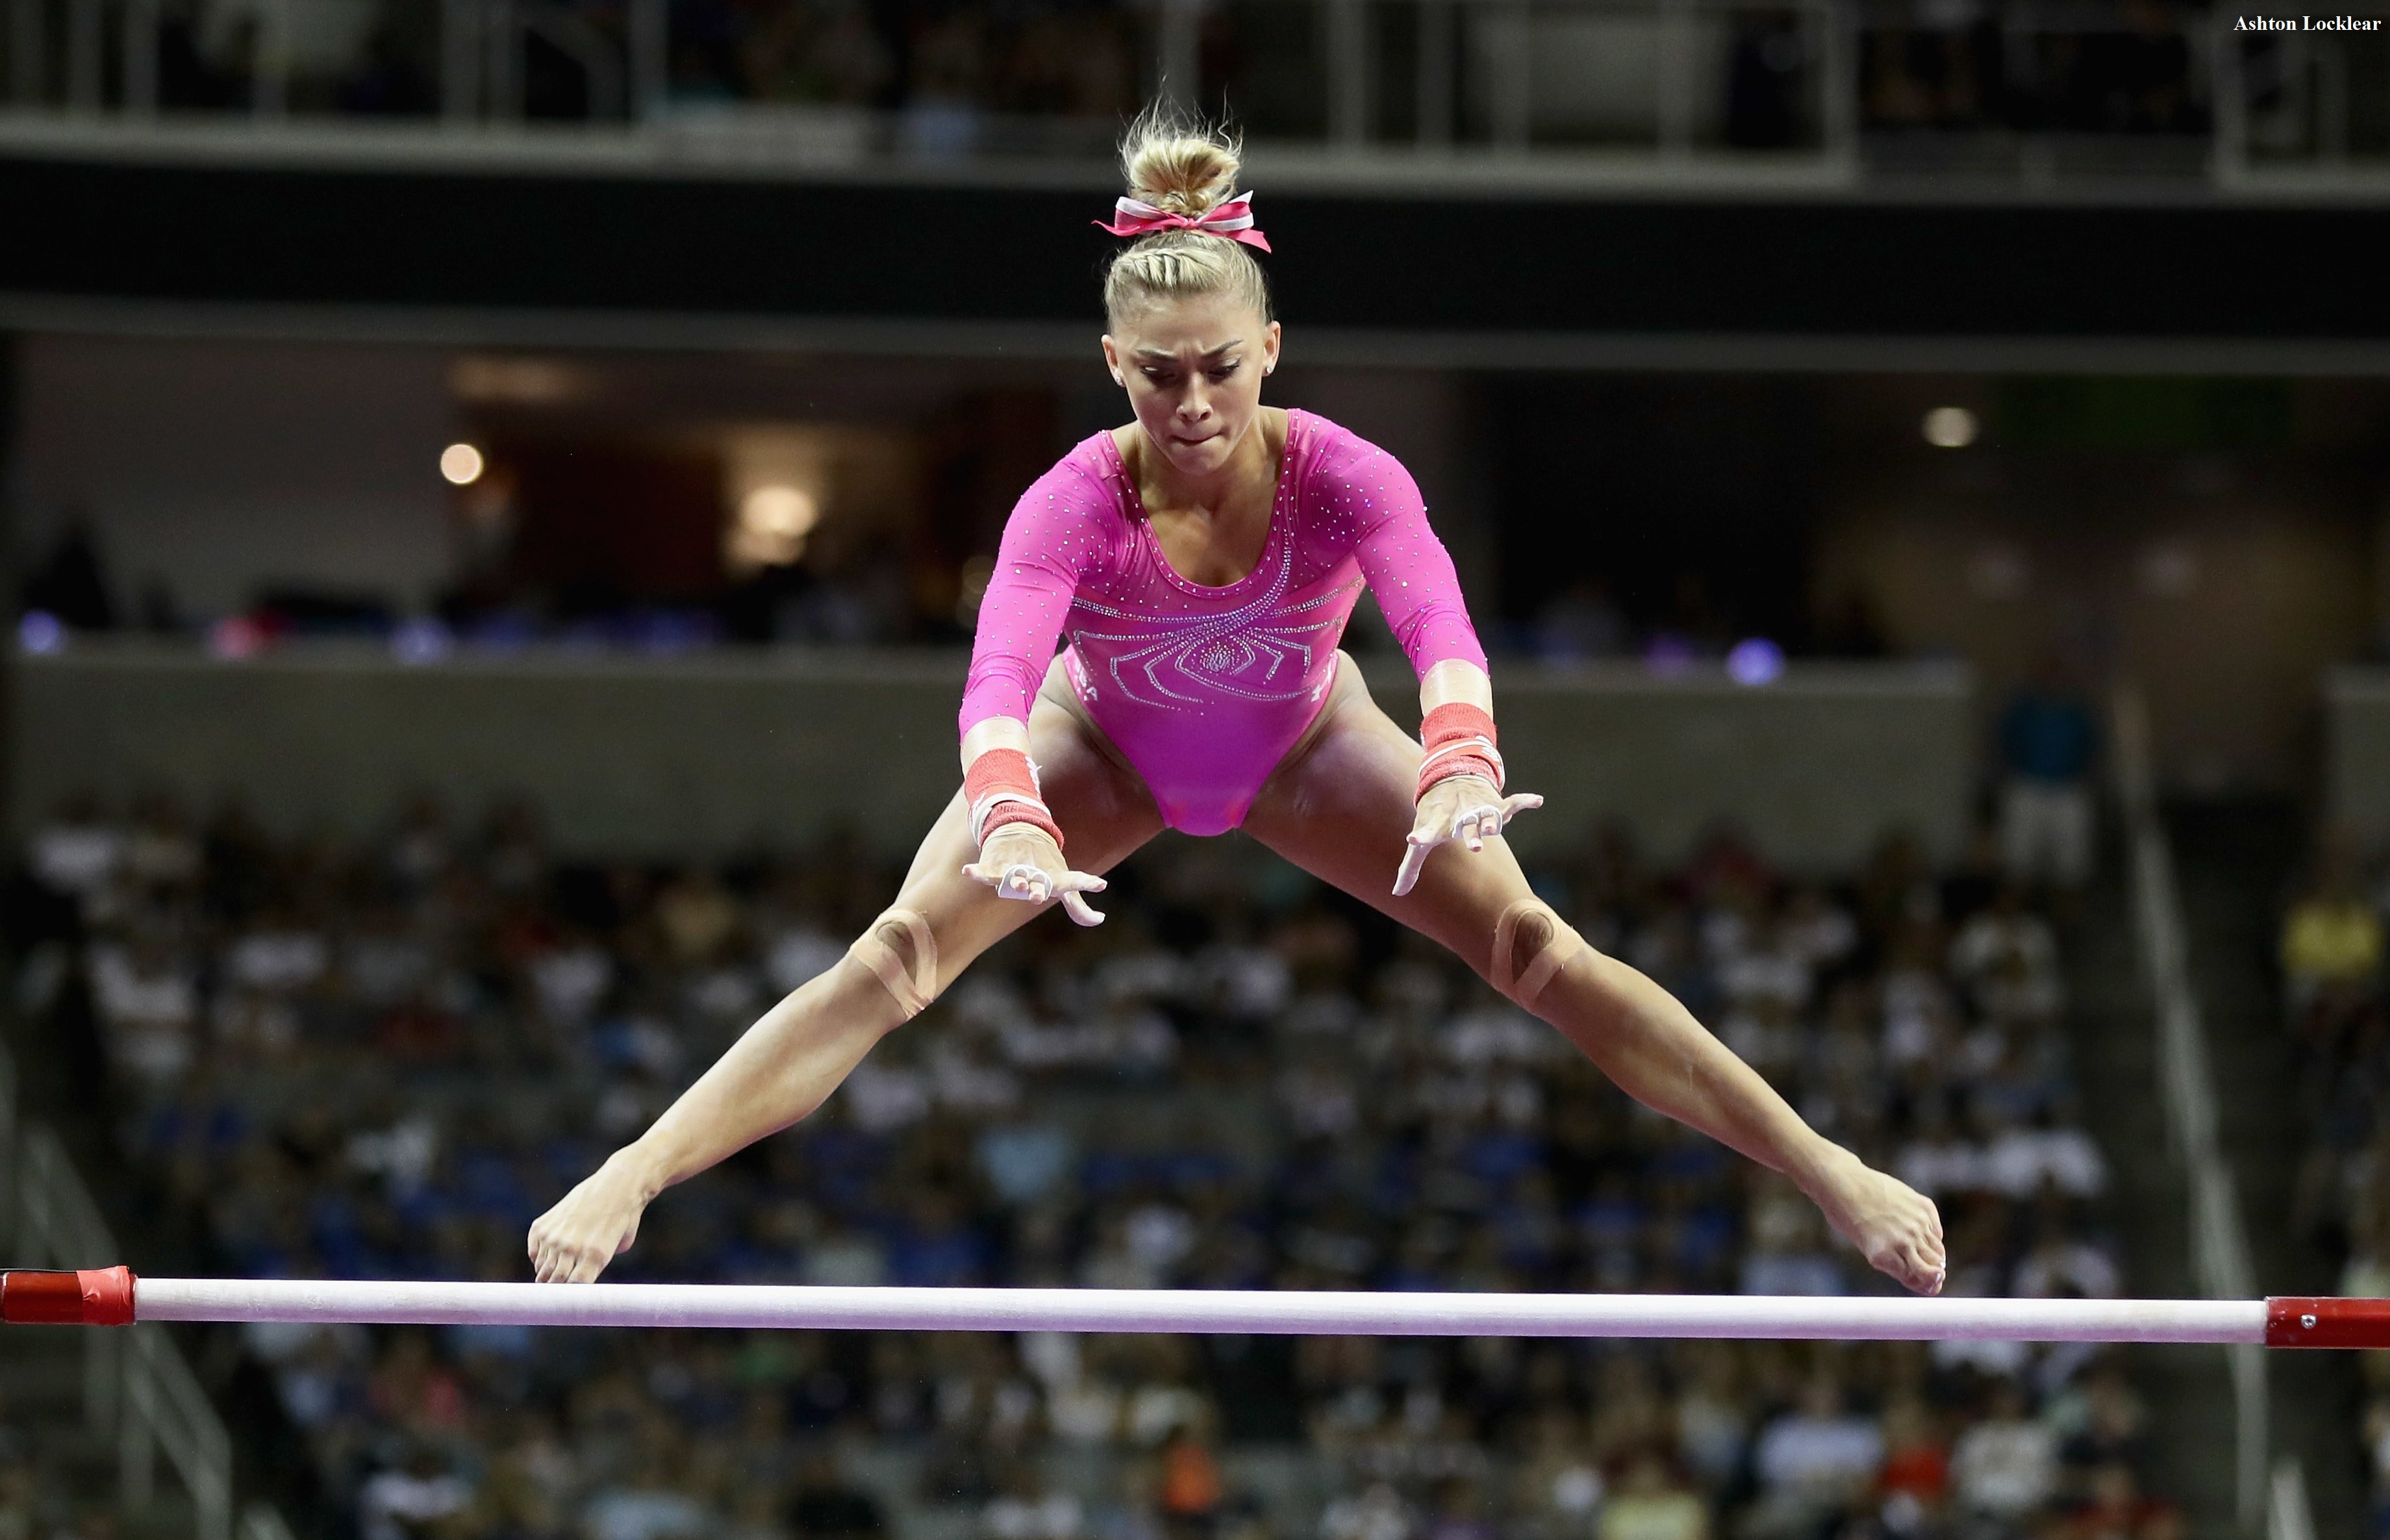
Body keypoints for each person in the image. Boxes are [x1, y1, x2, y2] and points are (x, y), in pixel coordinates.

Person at [525, 108, 1946, 1298]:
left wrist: (1460, 750)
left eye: (1219, 365)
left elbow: (1437, 620)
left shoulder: (1346, 475)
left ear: (1270, 349)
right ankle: (633, 1168)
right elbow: (998, 682)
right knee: (897, 956)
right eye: (1158, 373)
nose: (1192, 399)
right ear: (1112, 367)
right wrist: (1010, 807)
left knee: (1530, 943)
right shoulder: (1070, 499)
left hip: (1307, 746)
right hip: (1103, 750)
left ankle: (1826, 1168)